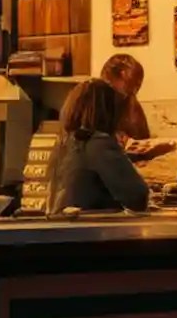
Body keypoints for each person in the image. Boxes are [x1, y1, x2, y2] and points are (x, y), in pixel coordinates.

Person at [44, 79, 150, 214]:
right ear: (107, 111)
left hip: (64, 230)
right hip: (93, 231)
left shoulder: (65, 143)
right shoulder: (98, 142)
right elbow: (137, 196)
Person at [98, 54, 151, 143]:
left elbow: (143, 140)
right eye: (129, 86)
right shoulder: (93, 104)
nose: (134, 91)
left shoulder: (131, 102)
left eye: (136, 86)